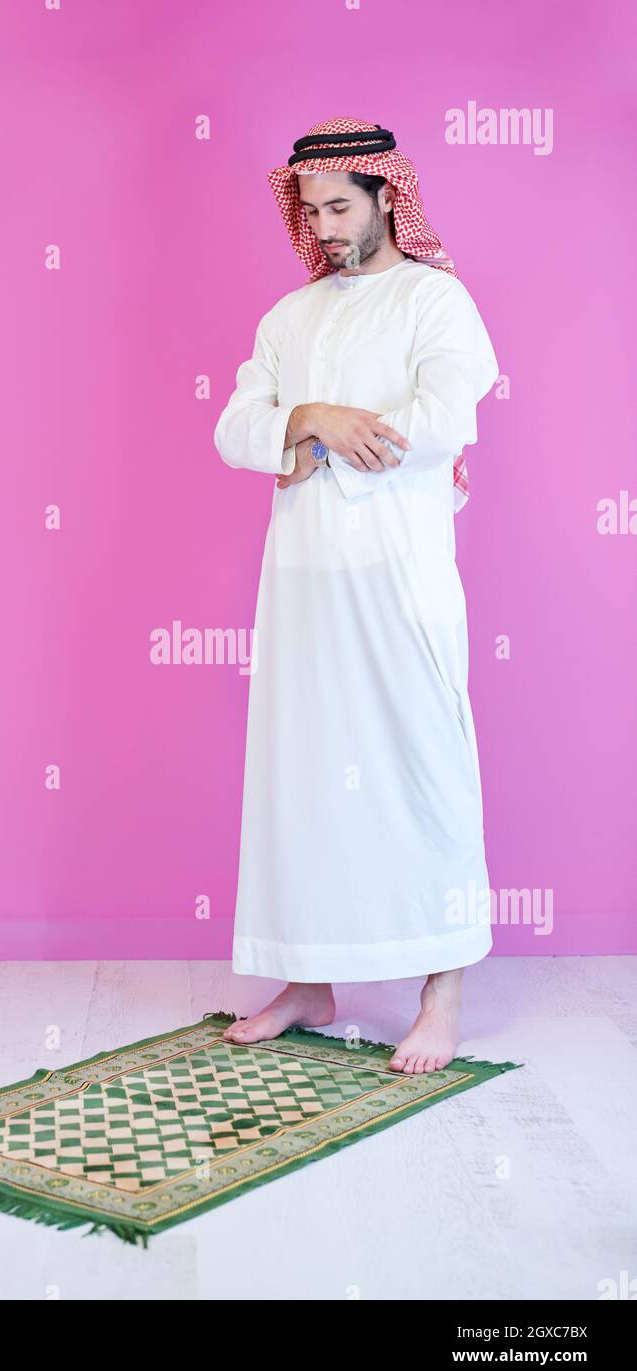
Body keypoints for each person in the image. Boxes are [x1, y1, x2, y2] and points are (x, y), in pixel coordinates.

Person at [213, 118, 500, 1074]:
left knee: (425, 767)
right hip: (300, 581)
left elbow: (446, 415)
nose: (325, 226)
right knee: (300, 778)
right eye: (311, 210)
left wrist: (319, 438)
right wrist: (306, 417)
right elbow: (235, 428)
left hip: (401, 572)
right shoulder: (287, 319)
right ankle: (308, 979)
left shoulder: (436, 300)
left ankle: (443, 993)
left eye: (341, 205)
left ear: (388, 198)